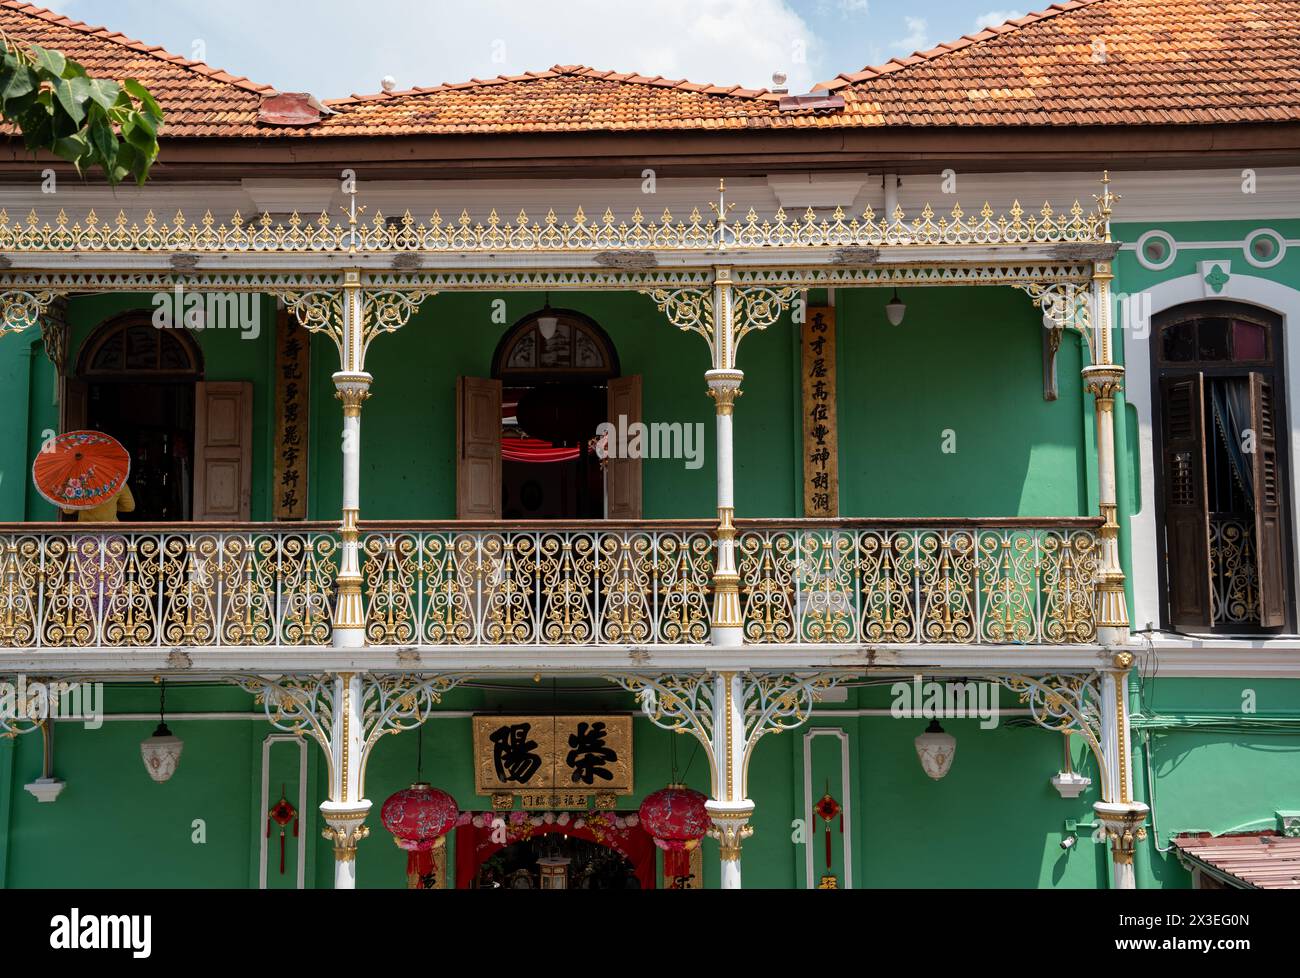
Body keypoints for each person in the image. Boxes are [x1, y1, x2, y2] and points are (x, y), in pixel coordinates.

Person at [63, 483, 135, 522]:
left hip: (85, 533)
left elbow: (67, 511)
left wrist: (81, 506)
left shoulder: (78, 485)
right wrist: (112, 506)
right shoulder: (118, 483)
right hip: (111, 532)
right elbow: (129, 507)